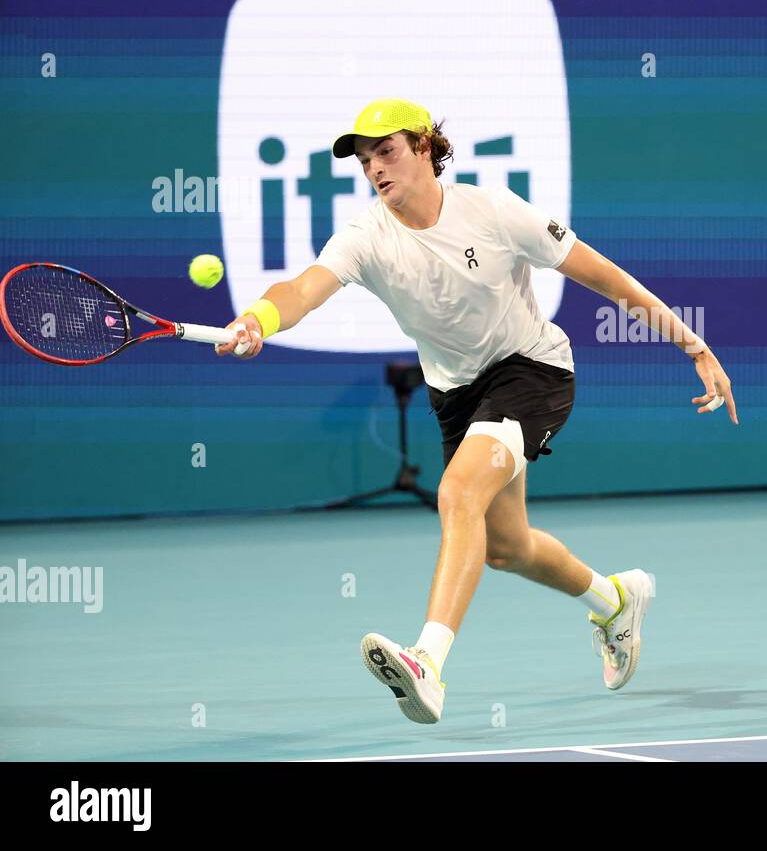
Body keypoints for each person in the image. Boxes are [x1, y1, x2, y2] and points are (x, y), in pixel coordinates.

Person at [216, 98, 738, 724]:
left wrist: (694, 345)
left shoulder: (492, 211)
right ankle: (615, 600)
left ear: (426, 149)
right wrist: (259, 318)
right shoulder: (365, 236)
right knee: (506, 547)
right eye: (364, 160)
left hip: (532, 372)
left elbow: (603, 276)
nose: (375, 169)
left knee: (457, 492)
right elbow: (301, 289)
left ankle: (428, 664)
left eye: (387, 152)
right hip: (457, 395)